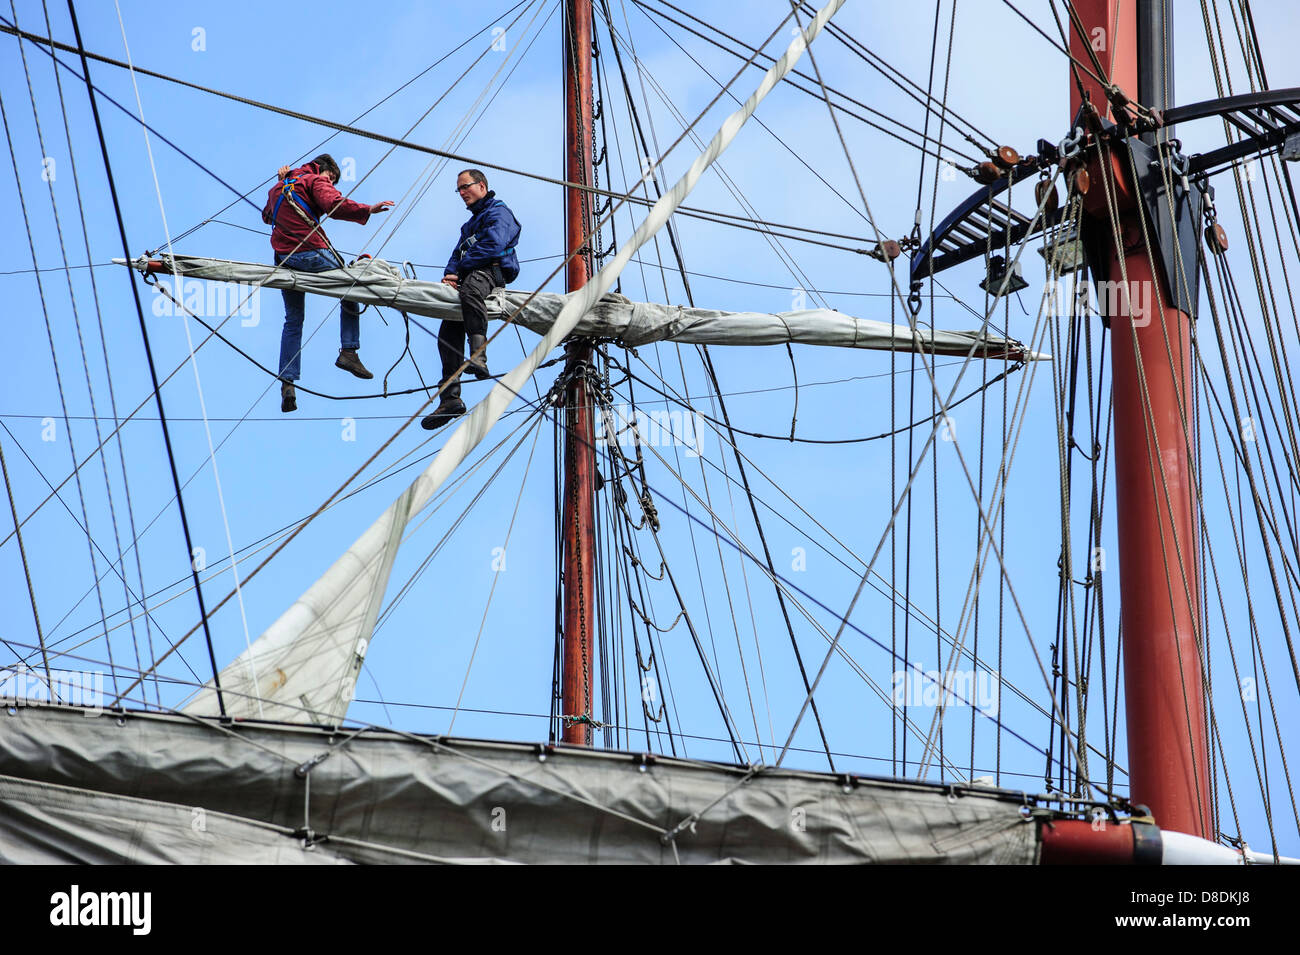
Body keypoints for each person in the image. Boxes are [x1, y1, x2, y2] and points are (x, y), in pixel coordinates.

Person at [263, 154, 394, 413]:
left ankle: (287, 382)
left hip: (283, 259)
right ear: (323, 170)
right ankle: (349, 351)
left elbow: (268, 217)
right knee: (352, 284)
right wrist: (367, 209)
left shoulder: (278, 187)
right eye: (331, 178)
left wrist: (281, 181)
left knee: (293, 320)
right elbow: (333, 204)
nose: (332, 183)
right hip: (309, 253)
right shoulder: (314, 179)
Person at [421, 169, 522, 430]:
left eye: (465, 187)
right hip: (469, 274)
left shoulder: (499, 212)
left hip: (490, 272)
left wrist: (462, 269)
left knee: (470, 291)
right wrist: (450, 275)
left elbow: (494, 244)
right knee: (448, 330)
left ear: (482, 186)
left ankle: (479, 355)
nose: (462, 193)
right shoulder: (468, 226)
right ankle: (450, 398)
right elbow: (456, 254)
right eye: (459, 189)